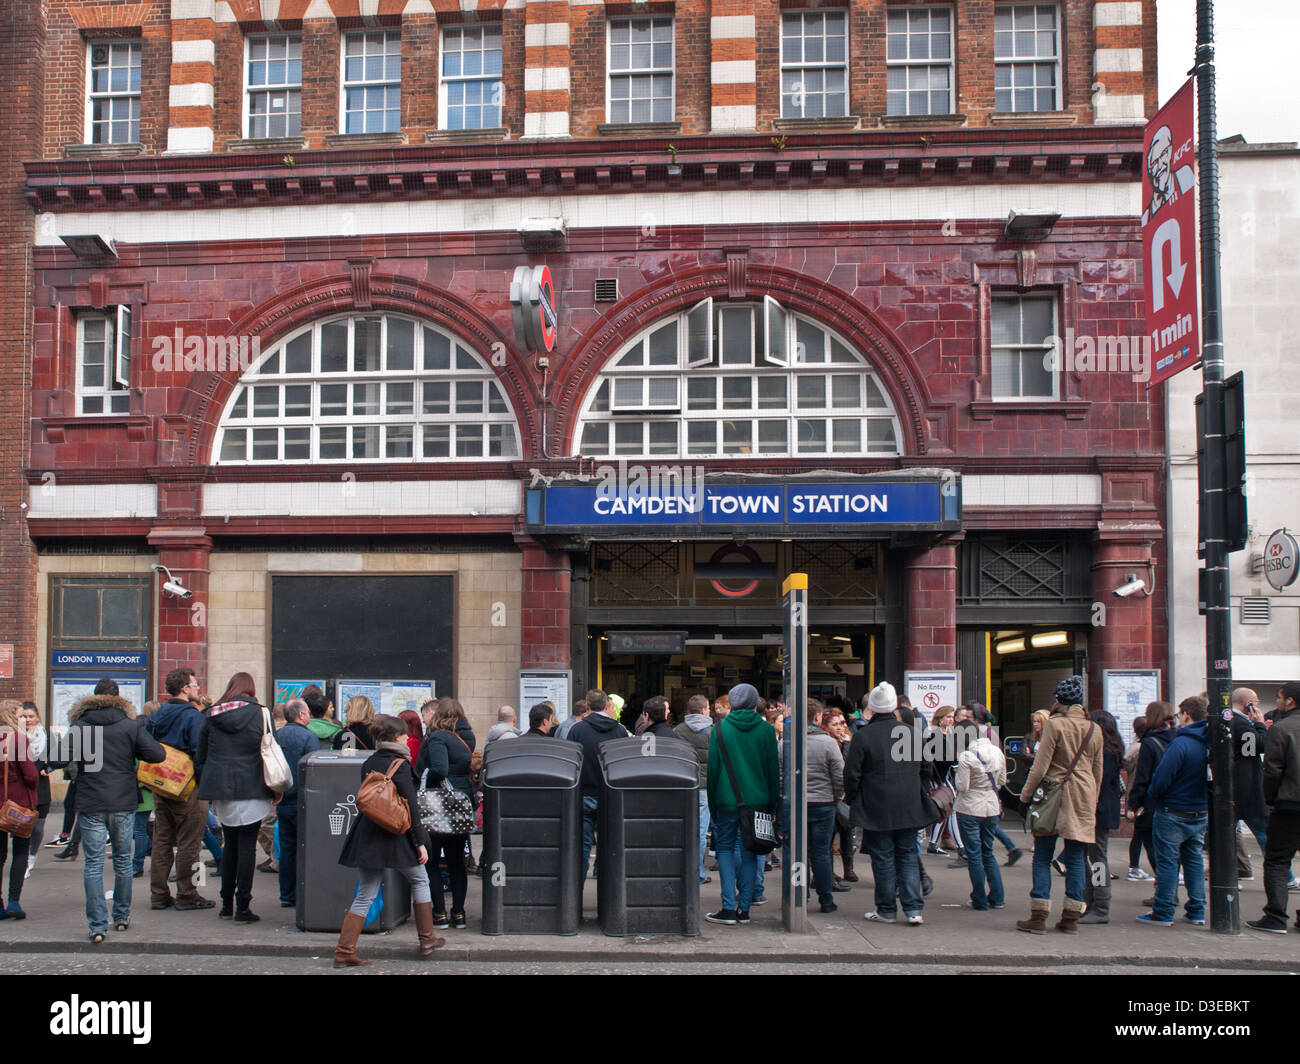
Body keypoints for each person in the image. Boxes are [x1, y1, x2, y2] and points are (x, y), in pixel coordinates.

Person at [334, 714, 443, 966]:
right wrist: (419, 842)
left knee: (365, 893)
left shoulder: (370, 761)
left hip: (368, 833)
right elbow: (411, 806)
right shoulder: (400, 764)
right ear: (397, 737)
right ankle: (427, 939)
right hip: (397, 834)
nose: (407, 737)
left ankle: (344, 950)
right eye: (404, 734)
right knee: (419, 879)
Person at [66, 679, 167, 942]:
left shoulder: (80, 726)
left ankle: (97, 925)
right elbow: (156, 755)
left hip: (90, 803)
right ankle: (121, 916)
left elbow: (57, 758)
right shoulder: (130, 726)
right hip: (122, 801)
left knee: (93, 864)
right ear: (119, 698)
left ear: (94, 698)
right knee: (123, 860)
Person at [1016, 676, 1102, 935]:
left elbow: (1040, 766)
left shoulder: (1055, 726)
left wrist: (1025, 797)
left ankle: (1039, 915)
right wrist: (1092, 801)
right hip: (1084, 795)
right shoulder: (1093, 729)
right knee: (1076, 858)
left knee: (1042, 854)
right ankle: (1071, 918)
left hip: (1054, 795)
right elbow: (1098, 770)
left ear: (1060, 700)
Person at [844, 682, 932, 925]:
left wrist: (854, 799)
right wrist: (919, 792)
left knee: (882, 857)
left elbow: (852, 775)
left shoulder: (863, 736)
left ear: (871, 707)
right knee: (908, 855)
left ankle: (886, 909)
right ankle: (914, 909)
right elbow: (927, 770)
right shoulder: (913, 733)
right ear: (894, 706)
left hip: (876, 805)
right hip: (909, 805)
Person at [197, 672, 277, 925]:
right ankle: (243, 906)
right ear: (251, 689)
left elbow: (201, 755)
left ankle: (226, 905)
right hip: (253, 784)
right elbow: (272, 750)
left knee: (230, 844)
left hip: (222, 788)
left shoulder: (211, 714)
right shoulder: (261, 713)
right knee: (247, 847)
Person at [705, 683, 780, 926]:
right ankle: (744, 908)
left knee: (725, 849)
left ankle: (727, 906)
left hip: (727, 800)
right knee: (751, 850)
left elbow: (713, 771)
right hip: (759, 801)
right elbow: (772, 772)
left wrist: (713, 805)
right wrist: (772, 806)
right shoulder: (767, 731)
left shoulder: (719, 729)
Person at [144, 668, 214, 912]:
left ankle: (159, 894)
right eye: (194, 685)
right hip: (188, 787)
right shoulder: (193, 717)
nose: (197, 688)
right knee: (190, 843)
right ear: (185, 689)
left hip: (161, 785)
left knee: (162, 840)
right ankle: (188, 893)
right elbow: (200, 752)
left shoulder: (157, 715)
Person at [1138, 695, 1210, 927]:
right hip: (1199, 810)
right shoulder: (1208, 742)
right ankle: (1197, 909)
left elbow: (1161, 778)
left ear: (1186, 716)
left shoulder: (1181, 743)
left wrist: (1155, 795)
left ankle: (1163, 911)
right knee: (1194, 859)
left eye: (1179, 715)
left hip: (1173, 809)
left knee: (1167, 862)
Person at [415, 697, 476, 929]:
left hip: (437, 807)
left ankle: (439, 913)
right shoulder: (464, 738)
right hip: (460, 808)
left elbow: (439, 769)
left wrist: (423, 780)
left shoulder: (438, 737)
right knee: (456, 862)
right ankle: (459, 914)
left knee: (431, 862)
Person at [1249, 682, 1300, 933]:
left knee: (1277, 861)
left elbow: (1272, 770)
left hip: (1289, 805)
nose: (1277, 702)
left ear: (1290, 701)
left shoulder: (1282, 729)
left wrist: (1270, 799)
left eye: (1279, 698)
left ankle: (1276, 916)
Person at [569, 689, 628, 887]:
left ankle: (577, 886)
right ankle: (606, 887)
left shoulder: (577, 730)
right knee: (609, 843)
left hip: (584, 794)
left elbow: (572, 764)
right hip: (610, 794)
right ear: (606, 706)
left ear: (587, 706)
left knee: (582, 845)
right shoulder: (619, 731)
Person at [954, 719, 1007, 911]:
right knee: (988, 852)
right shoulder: (997, 752)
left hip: (969, 808)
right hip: (991, 807)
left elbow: (962, 786)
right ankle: (998, 897)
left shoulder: (967, 756)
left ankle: (979, 898)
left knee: (974, 855)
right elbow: (1001, 780)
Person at [1079, 708, 1124, 924]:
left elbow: (1096, 782)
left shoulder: (1103, 752)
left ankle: (1100, 905)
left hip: (1098, 810)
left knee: (1097, 859)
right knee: (1095, 857)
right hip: (1105, 809)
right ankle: (1094, 902)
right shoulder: (1114, 748)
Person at [1126, 700, 1177, 888]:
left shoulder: (1149, 742)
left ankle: (1164, 893)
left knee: (1152, 846)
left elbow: (1143, 777)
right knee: (1173, 850)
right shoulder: (1179, 737)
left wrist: (1133, 803)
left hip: (1152, 801)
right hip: (1177, 801)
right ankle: (1173, 893)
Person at [274, 699, 318, 909]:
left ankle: (287, 894)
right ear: (301, 715)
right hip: (303, 800)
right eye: (308, 712)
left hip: (282, 799)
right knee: (306, 848)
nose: (310, 715)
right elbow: (314, 770)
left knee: (287, 848)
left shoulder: (278, 736)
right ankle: (305, 892)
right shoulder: (308, 737)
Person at [0, 701, 39, 919]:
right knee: (20, 851)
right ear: (11, 716)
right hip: (18, 805)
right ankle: (14, 901)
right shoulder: (17, 739)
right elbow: (31, 776)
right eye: (20, 715)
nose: (23, 719)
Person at [807, 701, 846, 913]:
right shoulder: (828, 743)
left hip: (797, 804)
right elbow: (839, 775)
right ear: (818, 717)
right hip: (824, 804)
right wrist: (836, 796)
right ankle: (826, 899)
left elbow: (780, 773)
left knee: (797, 852)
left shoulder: (787, 741)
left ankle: (798, 894)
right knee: (821, 852)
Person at [1228, 687, 1270, 880]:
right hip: (1246, 788)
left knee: (1226, 834)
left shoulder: (1231, 721)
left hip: (1233, 787)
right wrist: (1260, 725)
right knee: (1263, 833)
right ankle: (1285, 877)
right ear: (1249, 704)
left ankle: (1228, 875)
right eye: (1257, 703)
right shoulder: (1241, 724)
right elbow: (1256, 747)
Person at [675, 693, 712, 884]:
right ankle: (698, 874)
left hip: (684, 786)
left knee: (683, 830)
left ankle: (682, 871)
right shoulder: (713, 731)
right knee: (700, 833)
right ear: (705, 709)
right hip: (704, 788)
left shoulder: (678, 730)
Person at [926, 705, 965, 862]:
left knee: (946, 811)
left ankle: (934, 844)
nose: (951, 720)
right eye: (948, 717)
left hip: (942, 779)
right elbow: (942, 760)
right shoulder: (937, 736)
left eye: (952, 717)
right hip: (939, 780)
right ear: (940, 719)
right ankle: (961, 847)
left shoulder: (945, 735)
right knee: (951, 810)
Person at [20, 703, 51, 879]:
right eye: (24, 716)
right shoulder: (15, 736)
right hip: (22, 788)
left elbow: (57, 756)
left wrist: (49, 767)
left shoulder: (46, 736)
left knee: (38, 827)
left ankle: (32, 855)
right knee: (23, 826)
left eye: (31, 716)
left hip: (41, 786)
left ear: (37, 717)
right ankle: (23, 860)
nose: (28, 720)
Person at [1123, 716, 1151, 878]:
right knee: (1141, 833)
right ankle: (1133, 867)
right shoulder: (1143, 748)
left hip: (1134, 792)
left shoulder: (1134, 746)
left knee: (1139, 834)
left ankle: (1134, 866)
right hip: (1140, 794)